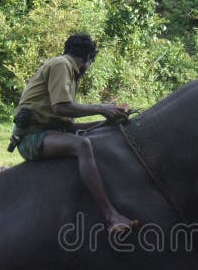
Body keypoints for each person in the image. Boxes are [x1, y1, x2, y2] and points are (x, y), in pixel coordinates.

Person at [10, 34, 138, 234]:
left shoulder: (66, 70)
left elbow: (69, 125)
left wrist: (107, 121)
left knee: (97, 133)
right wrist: (101, 108)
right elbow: (61, 108)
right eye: (89, 62)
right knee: (82, 145)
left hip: (50, 130)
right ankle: (111, 216)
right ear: (86, 58)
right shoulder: (62, 65)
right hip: (31, 137)